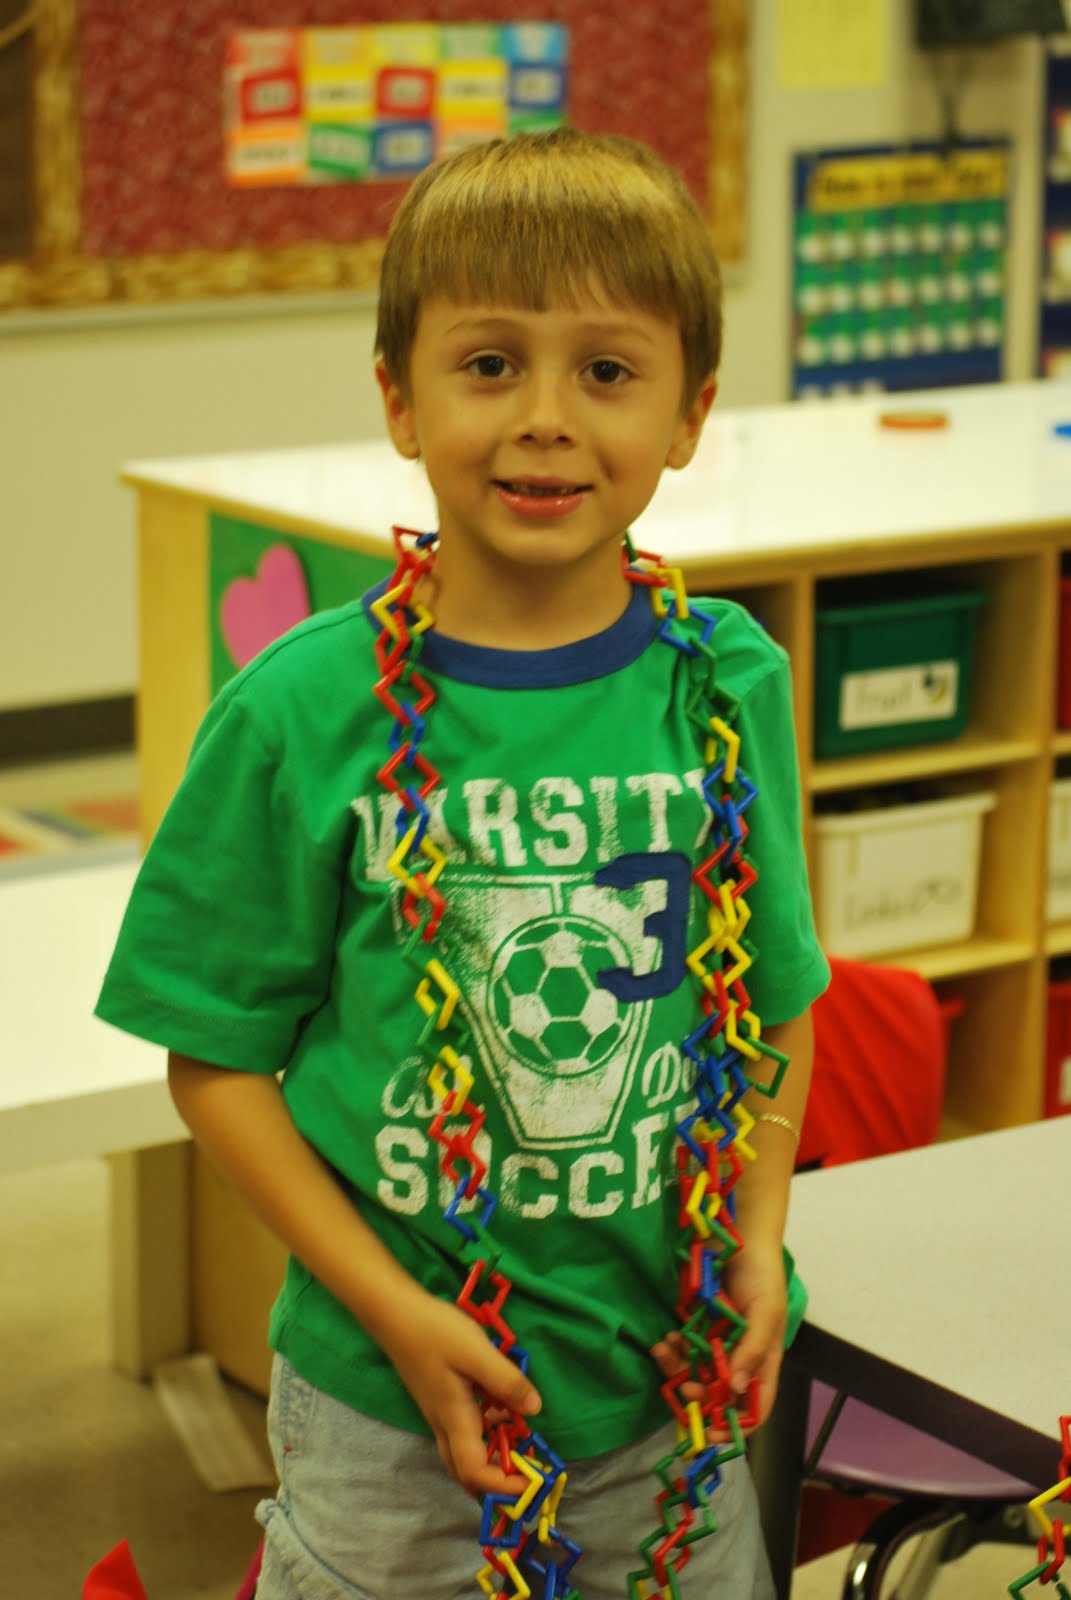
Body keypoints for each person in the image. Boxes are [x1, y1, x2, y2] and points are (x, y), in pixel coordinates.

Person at [96, 127, 829, 1600]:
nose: (546, 420)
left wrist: (759, 1235)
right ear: (399, 397)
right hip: (386, 1419)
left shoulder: (729, 680)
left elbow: (774, 1001)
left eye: (607, 371)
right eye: (490, 365)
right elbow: (214, 1061)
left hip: (668, 1395)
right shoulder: (304, 712)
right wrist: (395, 1314)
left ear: (689, 413)